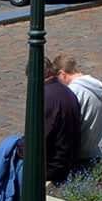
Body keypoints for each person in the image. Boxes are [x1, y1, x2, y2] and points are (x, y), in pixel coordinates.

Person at [56, 55, 102, 163]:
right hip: (99, 149)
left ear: (62, 73)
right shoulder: (96, 84)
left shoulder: (73, 92)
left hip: (83, 154)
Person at [42, 56, 82, 186]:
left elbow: (41, 136)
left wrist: (19, 150)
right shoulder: (67, 91)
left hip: (54, 166)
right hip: (69, 158)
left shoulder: (48, 97)